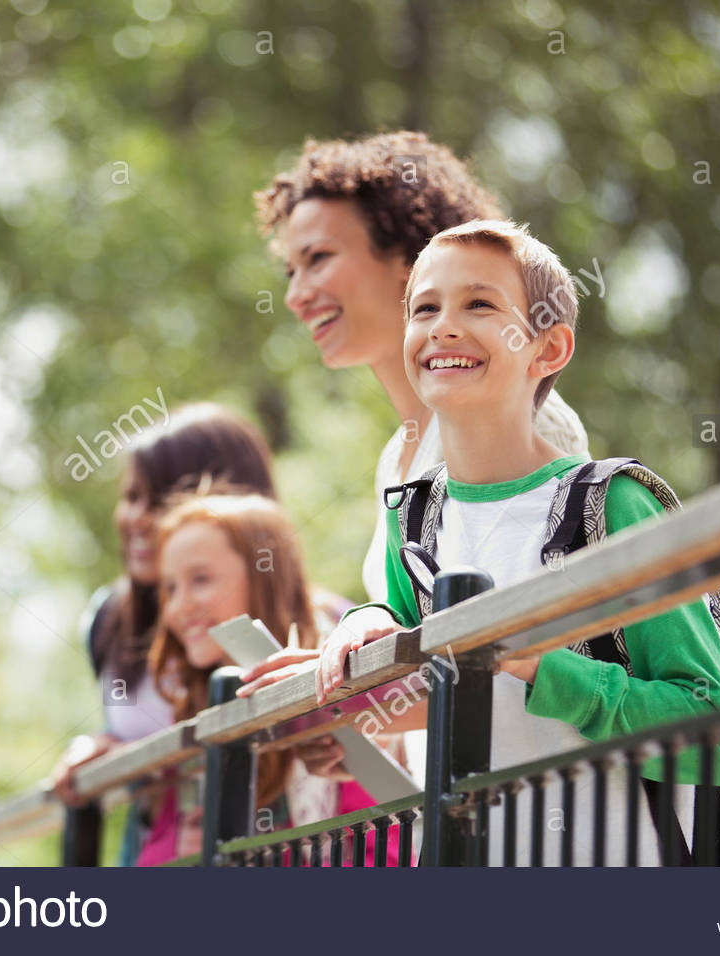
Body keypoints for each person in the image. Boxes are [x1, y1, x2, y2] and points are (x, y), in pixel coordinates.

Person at [319, 219, 720, 864]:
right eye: (424, 308)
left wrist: (543, 666)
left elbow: (718, 739)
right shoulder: (414, 518)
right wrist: (367, 623)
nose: (444, 327)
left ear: (549, 350)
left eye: (479, 304)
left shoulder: (616, 505)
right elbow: (429, 687)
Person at [243, 131, 590, 781]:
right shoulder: (394, 463)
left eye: (318, 258)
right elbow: (446, 672)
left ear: (410, 259)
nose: (296, 293)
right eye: (291, 270)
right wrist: (352, 720)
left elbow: (537, 659)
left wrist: (357, 704)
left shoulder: (535, 422)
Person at [48, 403, 279, 865]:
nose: (137, 518)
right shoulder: (107, 623)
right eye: (130, 496)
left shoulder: (307, 620)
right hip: (158, 849)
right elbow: (139, 733)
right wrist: (106, 749)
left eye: (158, 501)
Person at [139, 492, 397, 866]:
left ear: (265, 578)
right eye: (170, 588)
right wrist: (182, 850)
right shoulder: (195, 705)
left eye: (201, 579)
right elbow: (153, 852)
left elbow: (386, 849)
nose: (179, 606)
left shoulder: (335, 690)